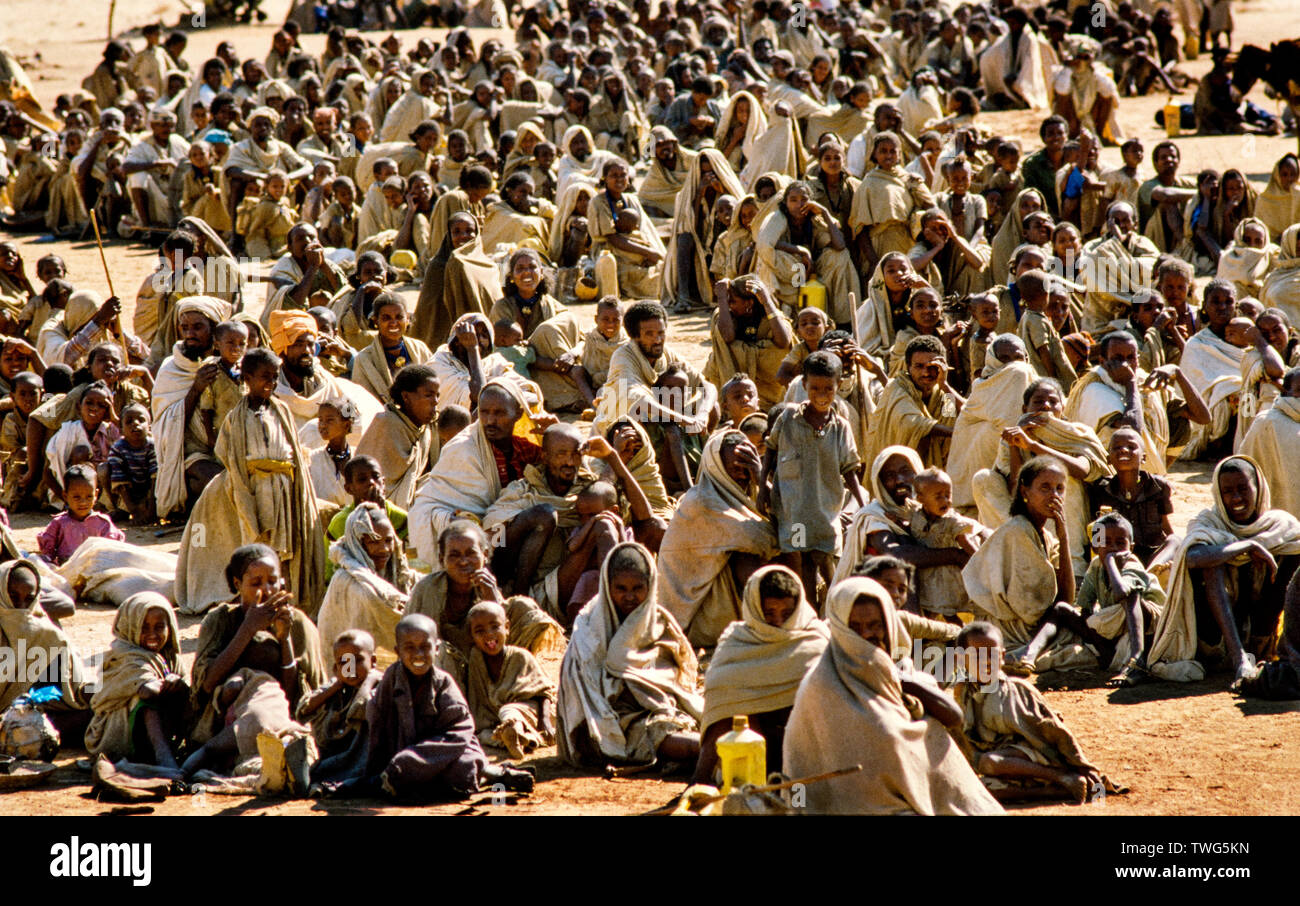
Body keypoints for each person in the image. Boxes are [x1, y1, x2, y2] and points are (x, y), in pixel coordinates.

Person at [783, 576, 1002, 815]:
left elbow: (953, 717)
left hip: (910, 798)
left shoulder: (900, 673)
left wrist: (902, 681)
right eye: (854, 627)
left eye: (874, 625)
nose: (866, 635)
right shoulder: (820, 684)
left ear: (888, 625)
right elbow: (799, 768)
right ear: (839, 628)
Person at [175, 348, 326, 617]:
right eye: (263, 377)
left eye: (274, 376)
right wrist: (247, 499)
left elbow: (294, 451)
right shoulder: (237, 417)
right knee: (261, 550)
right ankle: (256, 607)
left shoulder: (282, 411)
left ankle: (283, 603)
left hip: (284, 490)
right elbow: (230, 457)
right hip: (255, 491)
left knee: (285, 552)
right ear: (247, 377)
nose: (270, 382)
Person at [1148, 456, 1300, 685]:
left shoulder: (1279, 525)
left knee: (1294, 553)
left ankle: (1274, 647)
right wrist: (1245, 546)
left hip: (1259, 630)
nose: (1236, 498)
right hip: (1214, 639)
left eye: (1243, 488)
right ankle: (1238, 657)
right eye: (1227, 491)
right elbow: (1191, 557)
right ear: (1218, 494)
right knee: (1211, 560)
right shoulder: (1209, 522)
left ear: (1257, 487)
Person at [557, 542, 701, 769]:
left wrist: (651, 692)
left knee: (696, 726)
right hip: (610, 717)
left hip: (660, 707)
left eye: (638, 588)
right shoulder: (589, 627)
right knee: (671, 741)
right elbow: (581, 687)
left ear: (651, 585)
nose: (630, 597)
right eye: (621, 588)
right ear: (607, 586)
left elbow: (679, 674)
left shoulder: (659, 622)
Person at [362, 614, 534, 801]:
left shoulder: (443, 682)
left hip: (445, 752)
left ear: (436, 649)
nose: (418, 654)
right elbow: (378, 724)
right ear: (398, 651)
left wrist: (417, 757)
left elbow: (461, 730)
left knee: (461, 769)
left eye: (425, 647)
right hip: (402, 750)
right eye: (410, 648)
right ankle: (488, 774)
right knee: (391, 771)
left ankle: (494, 774)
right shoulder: (391, 678)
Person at [692, 564, 828, 785]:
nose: (778, 622)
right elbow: (721, 696)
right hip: (752, 745)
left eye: (787, 613)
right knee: (731, 709)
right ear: (755, 608)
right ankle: (699, 780)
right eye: (769, 613)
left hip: (802, 752)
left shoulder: (815, 638)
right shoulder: (737, 640)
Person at [964, 456, 1097, 673]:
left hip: (1034, 620)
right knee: (1084, 645)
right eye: (1045, 488)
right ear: (1025, 492)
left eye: (1059, 489)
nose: (1054, 495)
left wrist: (1064, 538)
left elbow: (1066, 599)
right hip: (1011, 628)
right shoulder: (1018, 531)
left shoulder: (1045, 535)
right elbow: (1032, 610)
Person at [952, 621, 1111, 803]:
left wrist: (1082, 765)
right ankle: (1054, 793)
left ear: (1002, 656)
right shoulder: (963, 690)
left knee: (988, 762)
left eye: (992, 655)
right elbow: (962, 732)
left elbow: (1053, 729)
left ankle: (1062, 777)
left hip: (1035, 757)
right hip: (999, 764)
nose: (987, 662)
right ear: (960, 658)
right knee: (974, 789)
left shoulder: (1016, 689)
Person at [188, 544, 326, 747]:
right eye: (256, 583)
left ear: (282, 581)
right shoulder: (220, 620)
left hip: (282, 713)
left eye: (272, 581)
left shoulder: (297, 623)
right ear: (238, 584)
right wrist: (248, 628)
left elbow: (300, 693)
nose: (267, 590)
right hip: (226, 717)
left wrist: (284, 638)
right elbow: (206, 685)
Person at [759, 351, 864, 604]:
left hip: (826, 510)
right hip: (794, 510)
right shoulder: (788, 418)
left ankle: (836, 609)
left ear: (838, 386)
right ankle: (811, 612)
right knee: (802, 559)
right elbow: (771, 449)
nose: (821, 394)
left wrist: (862, 503)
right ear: (803, 384)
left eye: (829, 388)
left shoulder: (840, 427)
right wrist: (763, 487)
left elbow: (849, 468)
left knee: (827, 560)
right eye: (814, 387)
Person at [659, 430, 778, 648]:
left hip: (716, 609)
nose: (743, 475)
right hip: (692, 616)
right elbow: (764, 538)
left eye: (747, 467)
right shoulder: (702, 501)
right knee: (745, 556)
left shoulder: (742, 495)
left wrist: (761, 478)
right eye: (735, 469)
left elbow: (793, 529)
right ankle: (766, 629)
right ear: (717, 469)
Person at [84, 592, 187, 773]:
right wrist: (168, 684)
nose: (152, 635)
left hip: (152, 735)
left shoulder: (170, 657)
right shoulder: (125, 655)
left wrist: (178, 683)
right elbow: (147, 690)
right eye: (144, 628)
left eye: (159, 627)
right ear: (130, 626)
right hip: (116, 735)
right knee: (146, 700)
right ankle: (164, 756)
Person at [1073, 512, 1166, 685]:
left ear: (1131, 547)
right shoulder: (1095, 566)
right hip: (1120, 626)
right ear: (1095, 547)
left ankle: (1137, 660)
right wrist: (1098, 642)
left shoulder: (1131, 563)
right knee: (1062, 610)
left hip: (1152, 622)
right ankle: (1028, 654)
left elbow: (1122, 593)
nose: (1114, 548)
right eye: (1105, 543)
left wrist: (1109, 560)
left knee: (1131, 597)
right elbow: (1085, 607)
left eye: (1120, 543)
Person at [317, 502, 413, 659]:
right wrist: (350, 679)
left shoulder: (393, 574)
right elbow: (347, 647)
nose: (384, 549)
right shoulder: (349, 583)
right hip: (352, 672)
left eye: (388, 540)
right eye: (374, 542)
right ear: (358, 545)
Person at [464, 600, 556, 759]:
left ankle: (513, 730)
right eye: (479, 631)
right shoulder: (475, 659)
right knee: (483, 735)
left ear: (507, 627)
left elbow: (545, 692)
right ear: (471, 636)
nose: (489, 634)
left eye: (495, 627)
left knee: (508, 711)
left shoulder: (521, 656)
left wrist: (545, 720)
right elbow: (479, 699)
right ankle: (518, 738)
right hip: (494, 718)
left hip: (530, 710)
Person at [297, 629, 382, 790]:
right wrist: (337, 684)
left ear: (373, 661)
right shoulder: (337, 687)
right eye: (344, 662)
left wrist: (370, 679)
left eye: (357, 660)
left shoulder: (380, 685)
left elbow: (361, 707)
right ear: (336, 666)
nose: (351, 668)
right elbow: (304, 709)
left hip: (363, 754)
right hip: (333, 752)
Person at [863, 335, 961, 469]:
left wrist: (944, 384)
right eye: (919, 366)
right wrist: (954, 432)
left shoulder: (943, 392)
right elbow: (912, 423)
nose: (926, 373)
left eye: (932, 367)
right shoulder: (896, 388)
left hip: (933, 472)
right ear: (908, 367)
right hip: (894, 470)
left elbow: (952, 416)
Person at [354, 364, 440, 512]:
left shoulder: (425, 431)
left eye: (438, 395)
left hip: (414, 506)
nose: (436, 401)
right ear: (406, 396)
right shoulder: (385, 424)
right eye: (428, 395)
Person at [37, 464, 124, 566]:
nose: (83, 502)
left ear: (96, 495)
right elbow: (48, 553)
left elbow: (113, 550)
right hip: (67, 569)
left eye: (89, 496)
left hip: (95, 568)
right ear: (65, 496)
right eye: (76, 497)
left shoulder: (103, 523)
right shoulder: (59, 523)